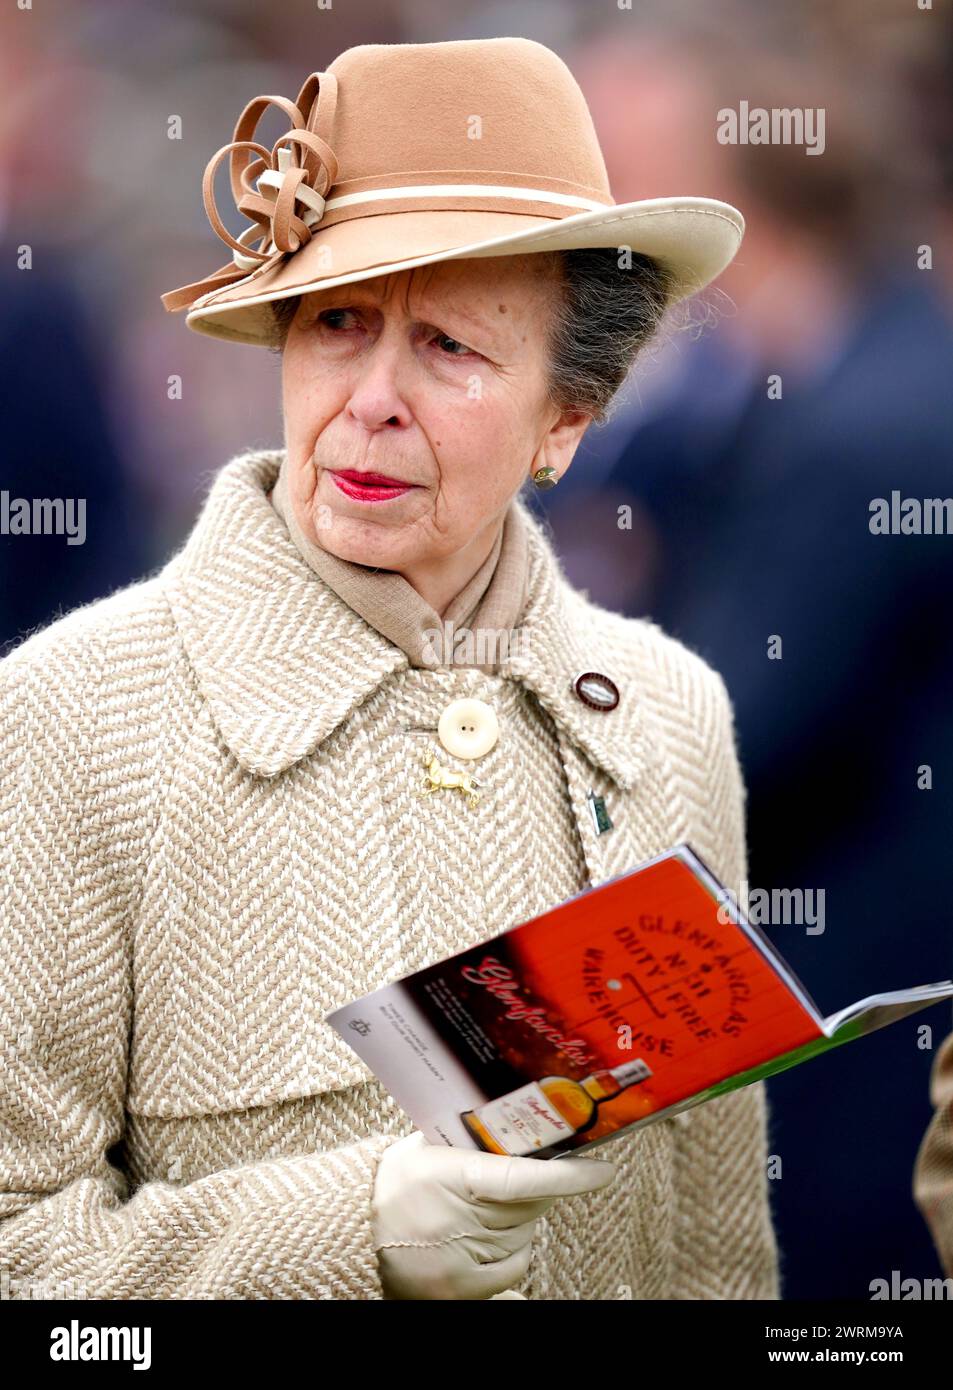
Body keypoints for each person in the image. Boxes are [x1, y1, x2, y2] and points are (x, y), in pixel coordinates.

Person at [0, 36, 778, 1301]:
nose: (368, 398)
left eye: (451, 348)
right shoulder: (69, 719)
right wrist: (347, 1231)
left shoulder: (665, 716)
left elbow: (717, 1263)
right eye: (337, 323)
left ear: (566, 418)